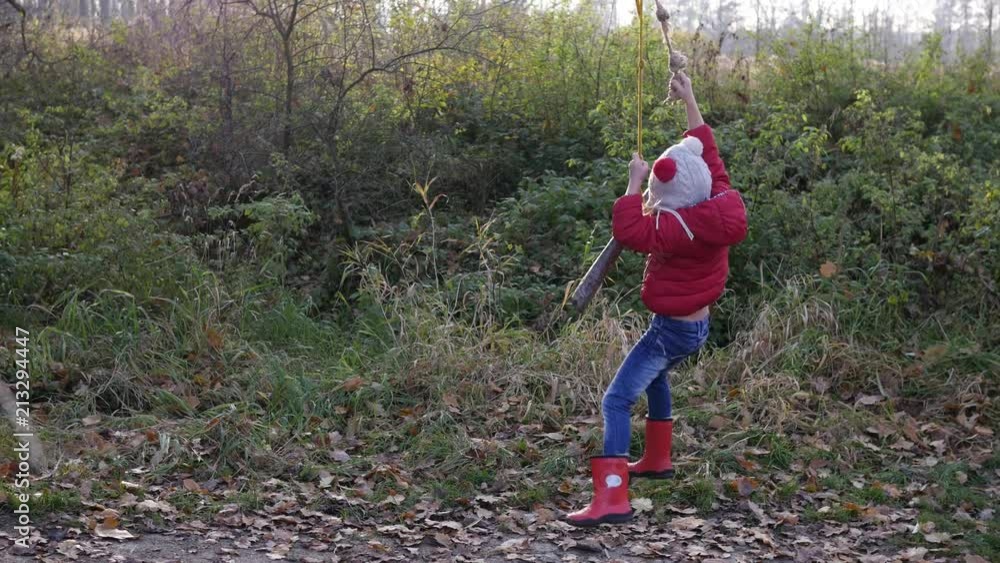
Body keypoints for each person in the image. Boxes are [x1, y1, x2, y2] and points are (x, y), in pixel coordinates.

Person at [565, 71, 749, 527]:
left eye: (653, 194)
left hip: (671, 330)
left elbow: (629, 231)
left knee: (616, 400)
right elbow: (706, 146)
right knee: (655, 380)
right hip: (695, 327)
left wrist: (633, 183)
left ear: (666, 196)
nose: (650, 198)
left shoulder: (675, 228)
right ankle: (657, 459)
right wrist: (689, 97)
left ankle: (611, 499)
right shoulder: (718, 199)